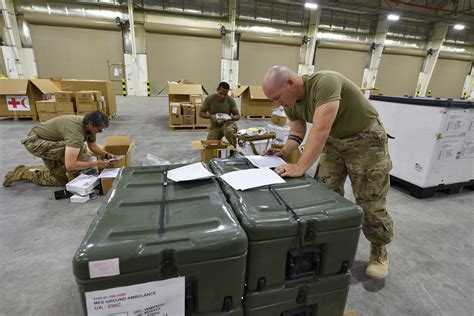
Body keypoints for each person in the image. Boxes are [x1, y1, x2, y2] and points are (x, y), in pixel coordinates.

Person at [262, 65, 394, 279]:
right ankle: (331, 244)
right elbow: (297, 130)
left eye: (277, 97)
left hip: (366, 140)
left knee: (370, 200)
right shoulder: (290, 102)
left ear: (290, 83)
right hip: (335, 141)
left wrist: (300, 167)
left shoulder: (325, 82)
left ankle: (379, 250)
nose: (277, 104)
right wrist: (284, 151)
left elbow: (320, 130)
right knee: (325, 193)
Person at [3, 111, 113, 187]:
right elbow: (70, 164)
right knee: (78, 148)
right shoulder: (76, 132)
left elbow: (93, 146)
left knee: (60, 180)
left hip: (52, 141)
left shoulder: (89, 128)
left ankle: (28, 171)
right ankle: (23, 173)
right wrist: (96, 164)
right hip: (36, 143)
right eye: (99, 130)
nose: (100, 132)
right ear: (90, 124)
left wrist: (106, 155)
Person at [199, 81, 240, 147]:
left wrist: (230, 117)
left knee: (229, 131)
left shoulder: (230, 100)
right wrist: (211, 116)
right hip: (215, 127)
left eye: (225, 94)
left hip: (227, 125)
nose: (223, 96)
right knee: (210, 146)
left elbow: (237, 116)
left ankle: (234, 148)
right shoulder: (210, 99)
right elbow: (201, 113)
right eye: (221, 93)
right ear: (217, 90)